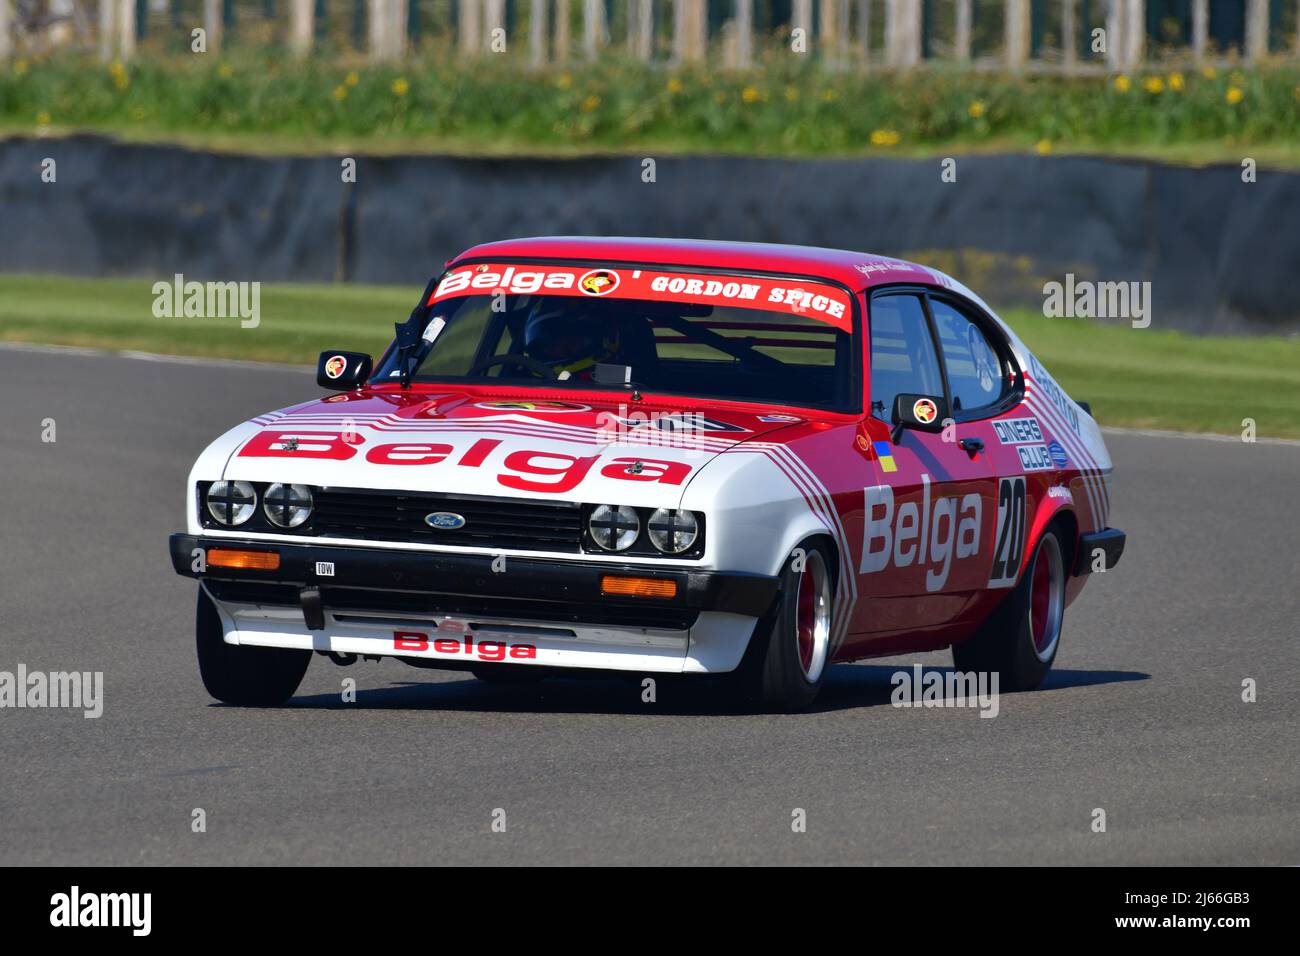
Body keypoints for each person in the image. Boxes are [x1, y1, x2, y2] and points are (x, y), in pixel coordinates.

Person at [521, 302, 622, 380]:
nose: (556, 347)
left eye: (569, 338)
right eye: (550, 342)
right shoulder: (518, 377)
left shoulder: (620, 380)